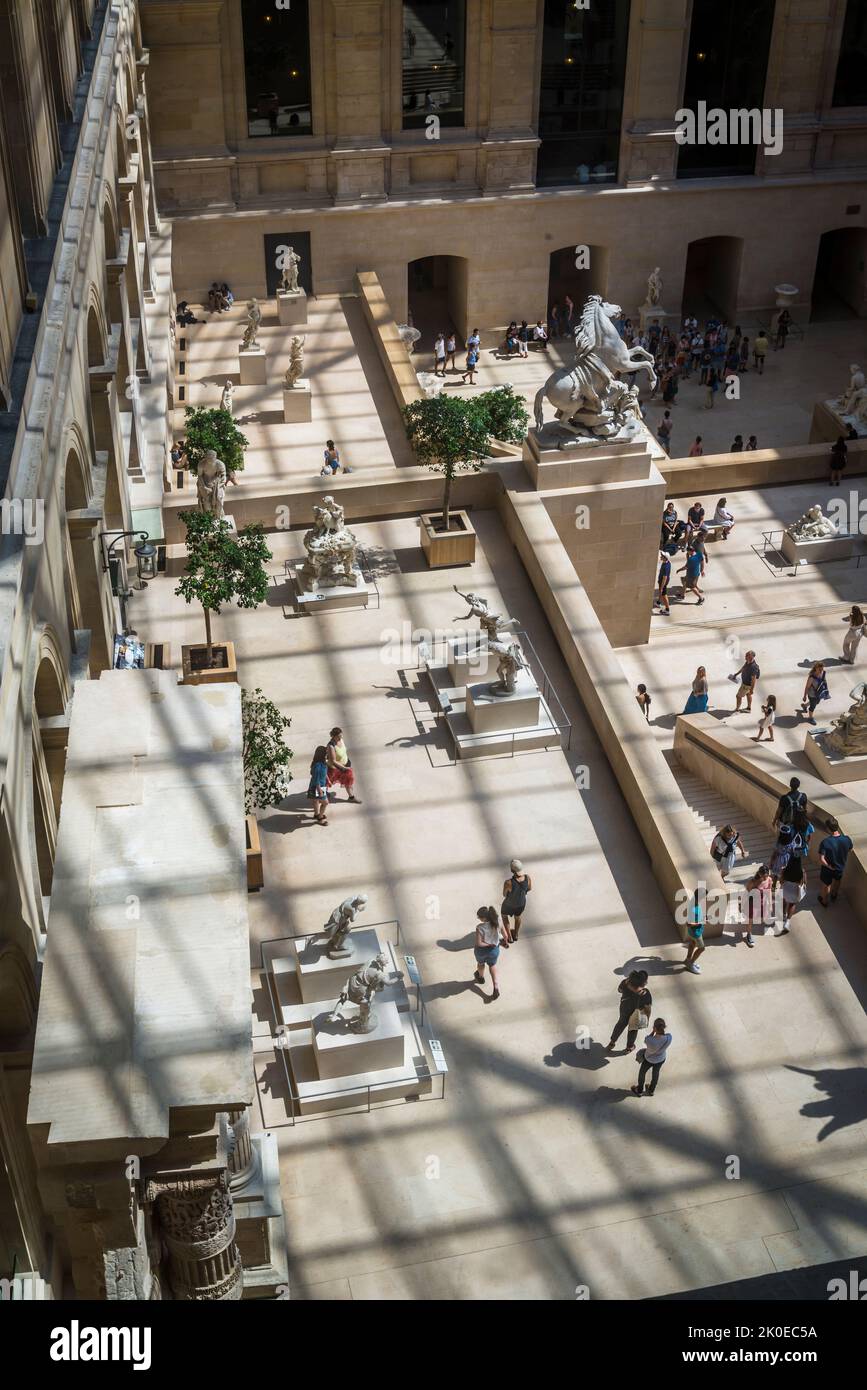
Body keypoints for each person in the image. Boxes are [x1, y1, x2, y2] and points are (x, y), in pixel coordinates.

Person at [605, 970, 653, 1052]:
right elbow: (648, 1006)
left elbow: (619, 990)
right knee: (633, 1030)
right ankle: (629, 1047)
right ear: (643, 983)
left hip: (624, 1008)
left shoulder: (625, 983)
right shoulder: (645, 994)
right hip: (637, 1014)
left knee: (620, 1024)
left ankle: (612, 1042)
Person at [631, 1019, 672, 1096]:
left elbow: (646, 1039)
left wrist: (653, 1032)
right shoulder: (669, 1038)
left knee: (642, 1073)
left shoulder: (650, 1040)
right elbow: (666, 1036)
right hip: (661, 1059)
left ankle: (639, 1090)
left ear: (655, 1028)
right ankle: (651, 1090)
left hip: (649, 1059)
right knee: (655, 1073)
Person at [818, 816, 853, 907]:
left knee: (827, 884)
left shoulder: (825, 842)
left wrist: (829, 866)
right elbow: (850, 850)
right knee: (837, 880)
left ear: (828, 829)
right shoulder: (847, 839)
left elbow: (822, 859)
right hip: (840, 866)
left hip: (828, 868)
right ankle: (834, 895)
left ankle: (824, 901)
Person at [473, 905, 504, 1001]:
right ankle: (496, 987)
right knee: (492, 965)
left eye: (479, 917)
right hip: (494, 951)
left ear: (484, 918)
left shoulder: (479, 927)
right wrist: (504, 941)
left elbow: (479, 943)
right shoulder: (497, 921)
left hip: (481, 951)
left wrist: (488, 944)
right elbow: (504, 934)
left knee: (481, 964)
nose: (478, 919)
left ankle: (481, 978)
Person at [741, 864, 773, 947]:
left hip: (763, 903)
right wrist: (742, 904)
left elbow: (769, 891)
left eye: (767, 875)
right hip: (753, 903)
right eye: (764, 876)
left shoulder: (769, 880)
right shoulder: (753, 882)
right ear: (759, 874)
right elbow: (747, 892)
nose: (766, 878)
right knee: (750, 920)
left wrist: (770, 904)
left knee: (760, 919)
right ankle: (749, 935)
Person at [501, 859, 532, 941]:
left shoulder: (508, 882)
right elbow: (529, 888)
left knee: (504, 916)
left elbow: (504, 894)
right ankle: (516, 935)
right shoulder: (527, 878)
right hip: (521, 904)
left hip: (509, 904)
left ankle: (509, 937)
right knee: (517, 917)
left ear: (512, 870)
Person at [325, 727, 358, 802]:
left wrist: (346, 764)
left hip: (346, 765)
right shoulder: (331, 746)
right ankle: (321, 799)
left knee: (348, 780)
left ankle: (351, 797)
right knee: (325, 782)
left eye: (341, 735)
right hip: (334, 768)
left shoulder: (341, 740)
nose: (341, 737)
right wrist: (344, 768)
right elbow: (333, 761)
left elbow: (343, 752)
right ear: (334, 736)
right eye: (339, 736)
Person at [779, 856, 805, 932]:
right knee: (792, 904)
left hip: (785, 889)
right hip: (794, 890)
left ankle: (784, 915)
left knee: (784, 901)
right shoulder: (801, 871)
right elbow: (803, 882)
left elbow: (781, 881)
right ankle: (787, 922)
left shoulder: (784, 869)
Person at [307, 745, 329, 825]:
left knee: (316, 801)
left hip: (317, 786)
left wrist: (328, 780)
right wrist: (320, 791)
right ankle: (320, 818)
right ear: (322, 754)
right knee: (325, 802)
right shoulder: (318, 766)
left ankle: (316, 814)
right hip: (317, 787)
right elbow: (316, 780)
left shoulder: (322, 762)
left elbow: (324, 773)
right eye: (326, 753)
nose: (327, 754)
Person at [684, 892, 705, 973]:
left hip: (692, 932)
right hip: (696, 933)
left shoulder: (693, 901)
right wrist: (700, 922)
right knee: (701, 948)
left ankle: (688, 960)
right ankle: (690, 964)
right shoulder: (693, 908)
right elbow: (688, 924)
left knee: (692, 943)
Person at [655, 551, 671, 615]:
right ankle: (658, 602)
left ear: (665, 558)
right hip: (662, 581)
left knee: (664, 595)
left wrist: (662, 587)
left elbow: (665, 578)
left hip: (663, 582)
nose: (661, 556)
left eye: (662, 556)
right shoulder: (667, 562)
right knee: (661, 592)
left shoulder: (665, 567)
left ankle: (667, 610)